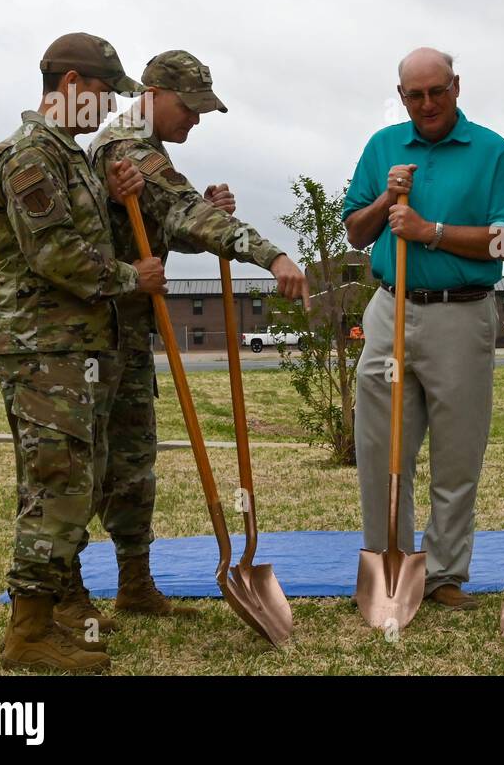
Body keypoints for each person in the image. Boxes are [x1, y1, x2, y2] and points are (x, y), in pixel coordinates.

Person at [82, 49, 308, 625]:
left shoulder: (145, 150)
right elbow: (181, 212)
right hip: (94, 336)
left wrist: (199, 215)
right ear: (152, 95)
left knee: (132, 463)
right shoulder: (127, 147)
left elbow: (171, 221)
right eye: (190, 107)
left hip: (126, 332)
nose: (197, 119)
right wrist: (270, 254)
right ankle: (63, 595)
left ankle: (135, 584)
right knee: (87, 467)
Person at [0, 32, 165, 671]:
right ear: (71, 87)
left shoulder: (71, 157)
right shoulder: (28, 155)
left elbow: (79, 227)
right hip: (43, 347)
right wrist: (129, 279)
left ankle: (53, 609)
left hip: (75, 347)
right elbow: (54, 253)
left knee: (73, 480)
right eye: (105, 93)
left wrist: (111, 192)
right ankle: (26, 634)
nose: (109, 106)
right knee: (56, 485)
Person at [344, 47, 504, 609]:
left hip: (461, 313)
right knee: (380, 451)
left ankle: (444, 575)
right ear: (401, 97)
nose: (427, 103)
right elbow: (355, 230)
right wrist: (386, 200)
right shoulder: (382, 147)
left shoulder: (492, 150)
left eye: (437, 91)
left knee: (457, 452)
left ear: (456, 86)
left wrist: (430, 231)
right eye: (414, 94)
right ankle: (389, 569)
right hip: (389, 307)